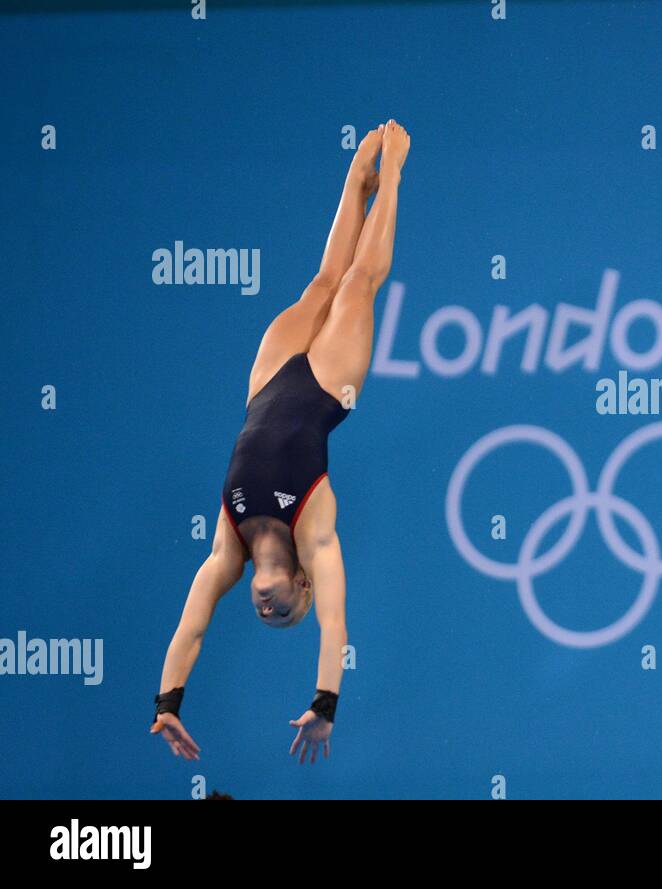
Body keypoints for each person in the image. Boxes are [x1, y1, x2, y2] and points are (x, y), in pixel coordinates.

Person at [150, 120, 411, 763]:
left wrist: (167, 705)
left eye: (263, 615)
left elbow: (192, 629)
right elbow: (336, 628)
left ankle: (354, 182)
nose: (269, 609)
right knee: (355, 286)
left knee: (321, 283)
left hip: (264, 382)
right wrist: (325, 704)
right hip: (328, 390)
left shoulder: (228, 547)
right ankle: (394, 172)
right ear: (301, 584)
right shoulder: (314, 532)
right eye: (284, 611)